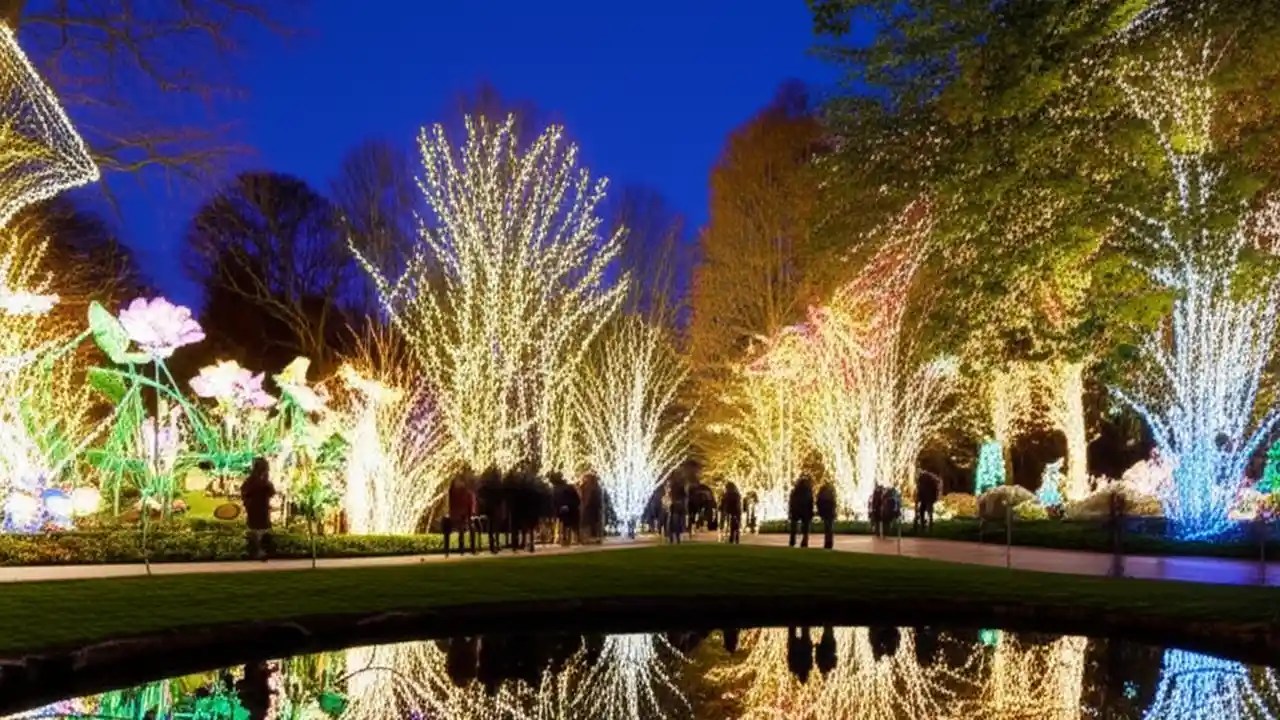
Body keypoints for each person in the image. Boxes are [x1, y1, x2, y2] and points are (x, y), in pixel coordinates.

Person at [240, 457, 275, 561]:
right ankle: (257, 551)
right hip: (255, 508)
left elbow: (271, 492)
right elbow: (245, 492)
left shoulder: (264, 480)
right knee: (256, 529)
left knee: (261, 529)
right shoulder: (251, 480)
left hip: (263, 508)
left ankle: (260, 550)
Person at [788, 475, 814, 548]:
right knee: (805, 528)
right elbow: (810, 502)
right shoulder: (808, 491)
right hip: (805, 511)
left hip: (796, 511)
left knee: (794, 527)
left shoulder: (795, 491)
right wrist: (811, 512)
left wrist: (791, 511)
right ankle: (804, 542)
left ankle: (792, 541)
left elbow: (791, 501)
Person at [816, 482, 838, 549]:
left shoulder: (822, 493)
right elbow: (834, 503)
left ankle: (827, 543)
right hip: (830, 513)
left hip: (825, 513)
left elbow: (818, 502)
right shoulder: (831, 493)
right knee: (830, 528)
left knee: (827, 528)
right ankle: (829, 543)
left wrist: (820, 512)